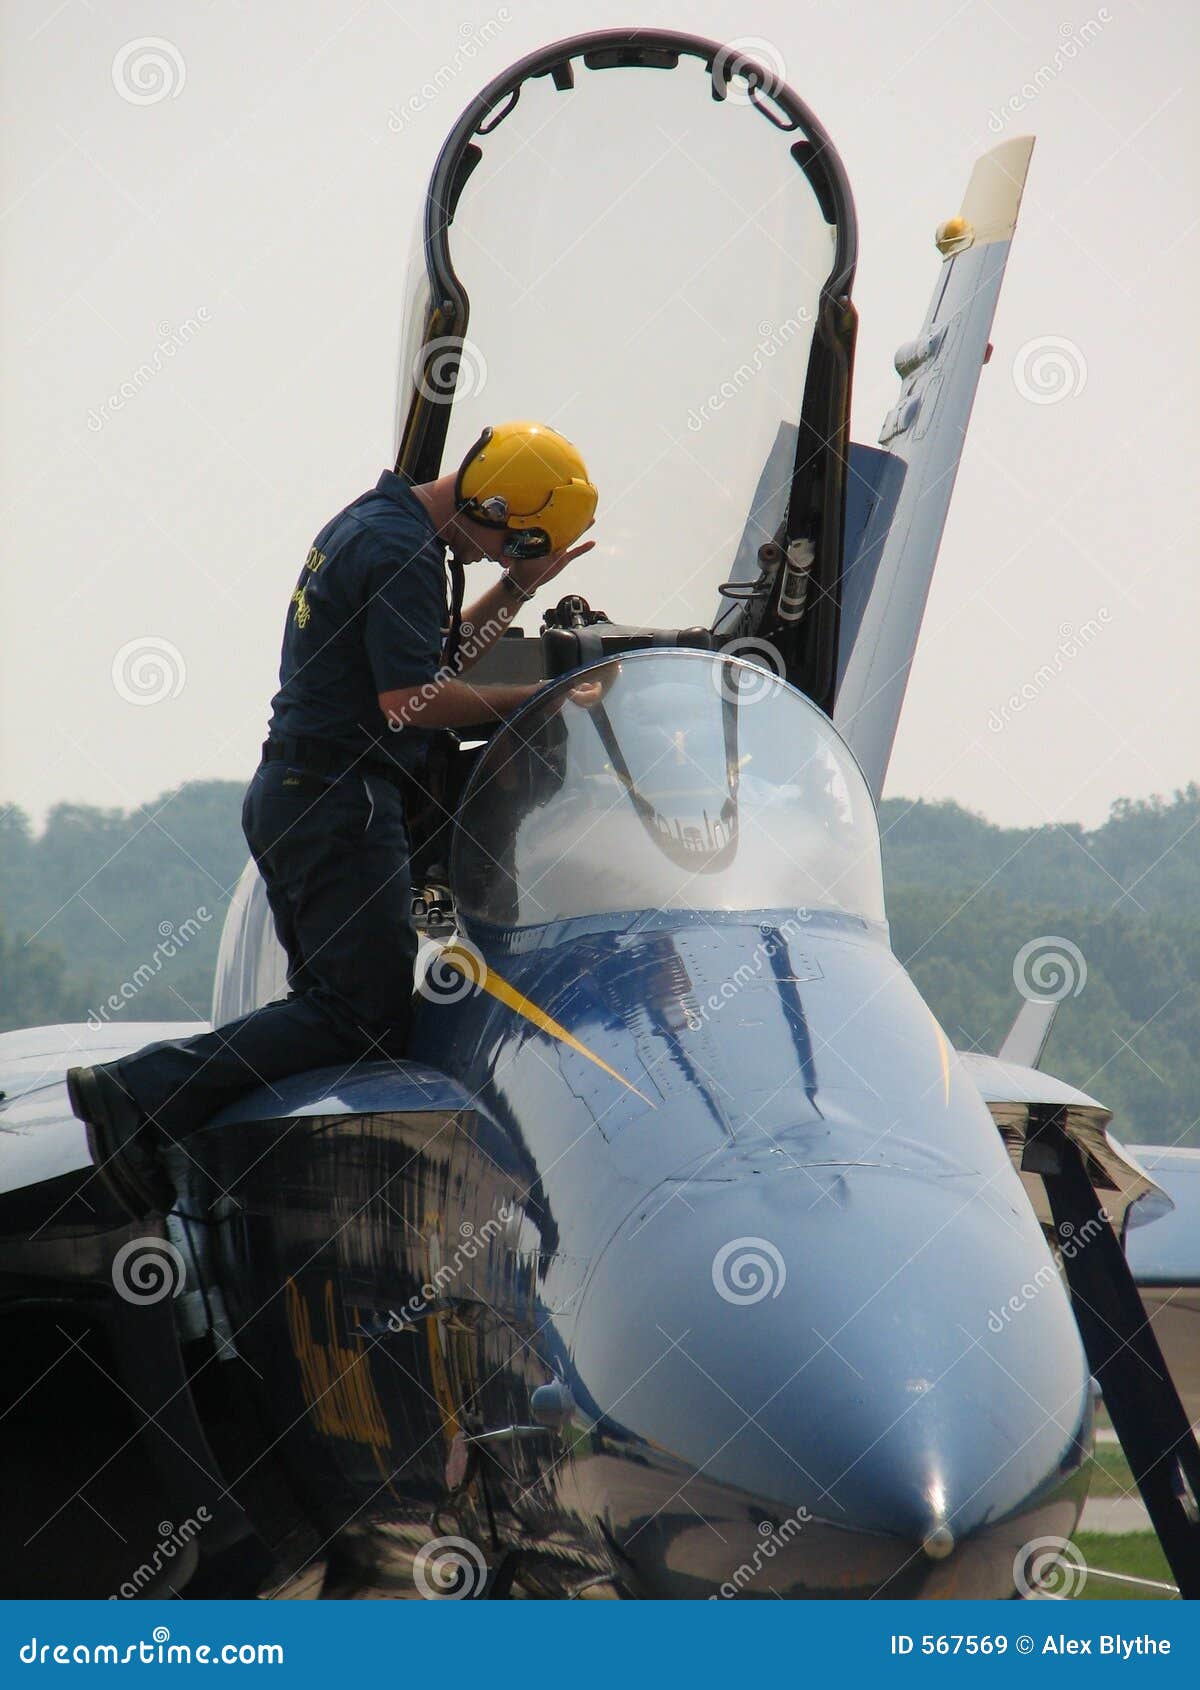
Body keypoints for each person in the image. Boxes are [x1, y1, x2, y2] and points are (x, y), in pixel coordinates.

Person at [67, 420, 597, 1218]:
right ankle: (137, 1094)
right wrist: (540, 702)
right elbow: (410, 701)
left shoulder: (380, 527)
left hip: (308, 795)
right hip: (339, 802)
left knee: (336, 1010)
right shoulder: (401, 552)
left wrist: (521, 587)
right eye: (505, 544)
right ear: (490, 504)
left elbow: (430, 659)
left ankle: (162, 1124)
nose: (496, 556)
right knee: (358, 1016)